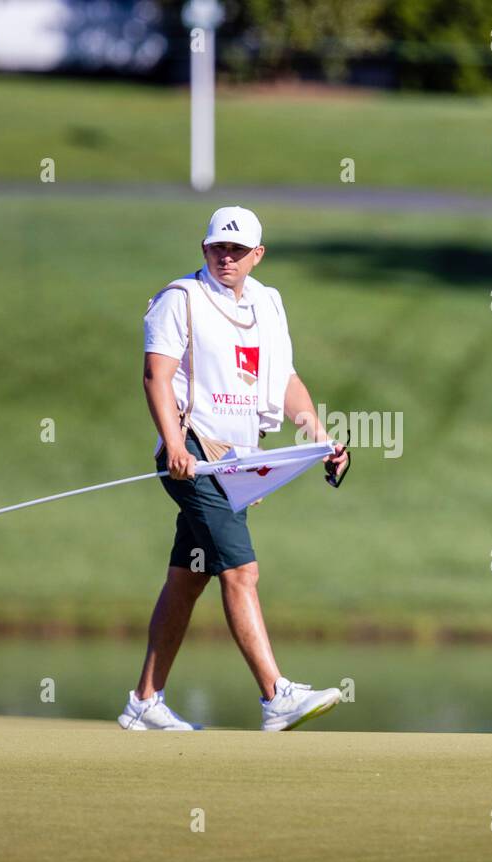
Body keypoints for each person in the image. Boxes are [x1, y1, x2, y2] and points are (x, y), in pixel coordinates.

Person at [119, 205, 350, 732]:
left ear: (256, 255)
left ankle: (144, 701)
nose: (226, 257)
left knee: (189, 575)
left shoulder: (268, 303)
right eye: (217, 248)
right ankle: (275, 695)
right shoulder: (179, 300)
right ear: (204, 249)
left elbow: (284, 377)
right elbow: (156, 376)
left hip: (240, 461)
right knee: (241, 570)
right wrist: (175, 444)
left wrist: (316, 433)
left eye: (237, 250)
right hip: (194, 456)